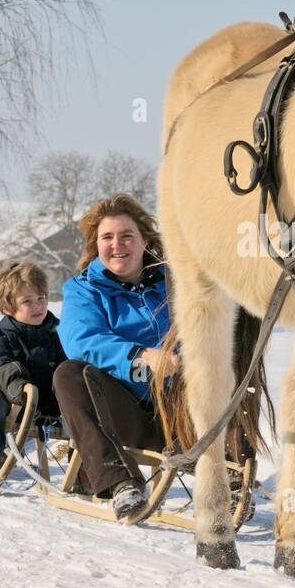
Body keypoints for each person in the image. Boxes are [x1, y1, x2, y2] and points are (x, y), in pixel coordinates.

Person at [52, 195, 175, 521]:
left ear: (144, 241)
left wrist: (182, 358)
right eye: (107, 237)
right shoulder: (83, 289)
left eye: (127, 236)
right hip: (124, 413)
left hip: (180, 406)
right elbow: (81, 339)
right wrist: (141, 356)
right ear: (96, 245)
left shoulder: (173, 282)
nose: (117, 245)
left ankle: (234, 475)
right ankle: (122, 484)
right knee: (69, 374)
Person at [0, 261, 66, 483]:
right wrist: (12, 379)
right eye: (27, 301)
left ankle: (84, 469)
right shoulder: (4, 335)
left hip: (51, 403)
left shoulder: (58, 331)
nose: (38, 306)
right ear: (8, 308)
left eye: (41, 298)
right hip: (14, 404)